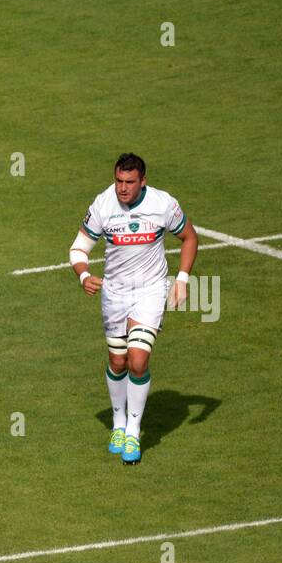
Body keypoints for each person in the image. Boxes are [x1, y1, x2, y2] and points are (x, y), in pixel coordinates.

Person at [69, 152, 198, 464]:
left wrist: (181, 278)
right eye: (118, 181)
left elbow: (189, 238)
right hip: (114, 294)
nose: (122, 188)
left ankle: (133, 432)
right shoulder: (102, 204)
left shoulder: (164, 204)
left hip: (151, 291)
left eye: (129, 182)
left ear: (143, 182)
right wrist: (84, 274)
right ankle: (117, 423)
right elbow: (78, 248)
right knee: (118, 362)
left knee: (138, 361)